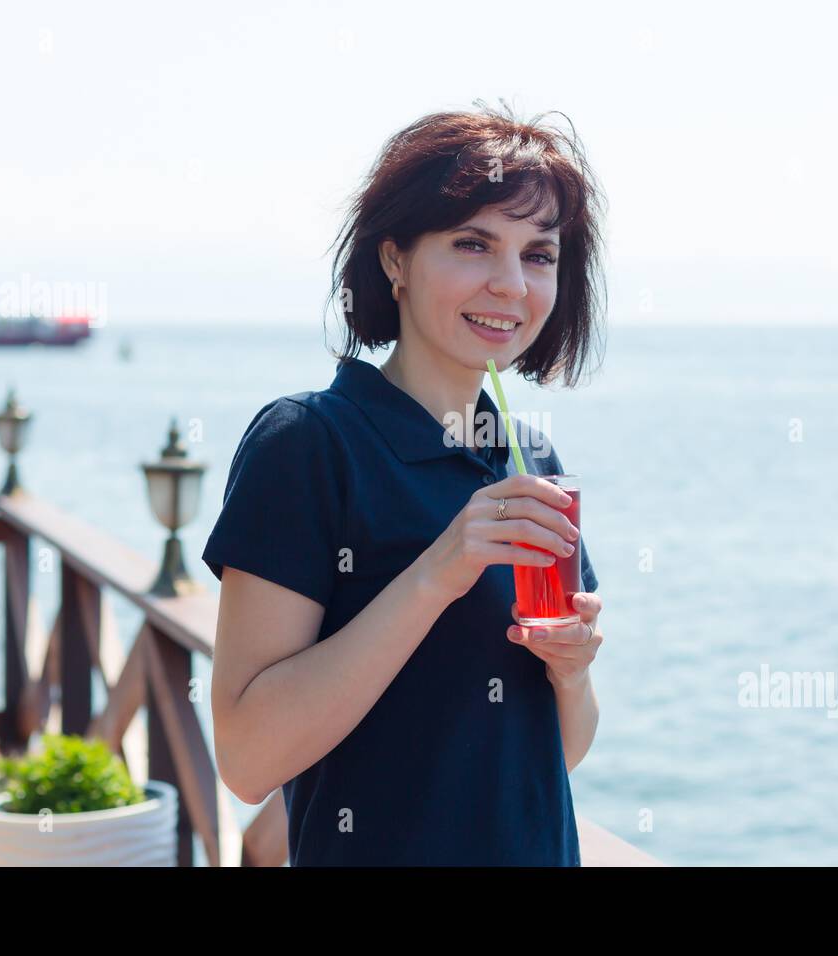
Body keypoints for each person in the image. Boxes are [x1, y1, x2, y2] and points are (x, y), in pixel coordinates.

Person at [203, 101, 608, 865]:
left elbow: (561, 755)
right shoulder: (308, 445)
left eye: (539, 254)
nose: (511, 285)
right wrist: (436, 574)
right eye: (472, 244)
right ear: (394, 260)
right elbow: (247, 759)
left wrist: (572, 673)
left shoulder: (532, 462)